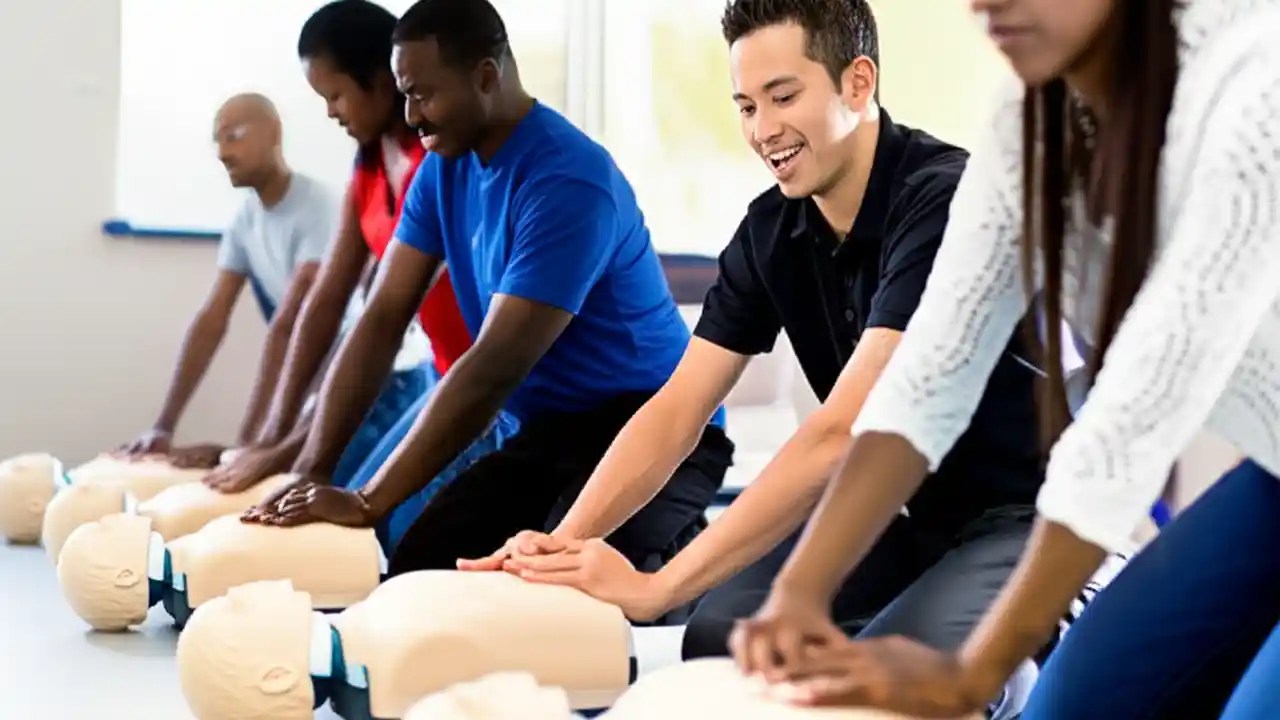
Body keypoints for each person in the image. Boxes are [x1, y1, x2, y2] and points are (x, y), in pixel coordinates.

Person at [470, 0, 1061, 676]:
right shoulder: (772, 232)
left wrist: (657, 588)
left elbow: (843, 435)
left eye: (784, 96)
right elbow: (677, 410)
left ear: (857, 83)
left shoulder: (945, 202)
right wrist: (558, 548)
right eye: (747, 106)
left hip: (1031, 521)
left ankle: (1029, 654)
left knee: (903, 675)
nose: (764, 129)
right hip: (912, 522)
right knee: (722, 636)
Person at [727, 0, 1280, 718]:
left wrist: (969, 674)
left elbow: (1135, 416)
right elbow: (932, 370)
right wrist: (800, 593)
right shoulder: (1029, 121)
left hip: (1186, 471)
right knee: (1067, 707)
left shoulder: (1252, 99)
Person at [246, 0, 734, 608]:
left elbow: (493, 366)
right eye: (404, 95)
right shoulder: (444, 171)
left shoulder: (566, 179)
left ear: (485, 76)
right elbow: (380, 317)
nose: (412, 116)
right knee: (420, 572)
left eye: (424, 95)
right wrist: (314, 472)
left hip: (651, 427)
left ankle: (679, 559)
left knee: (556, 588)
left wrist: (369, 499)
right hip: (548, 432)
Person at [203, 0, 511, 550]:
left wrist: (293, 446)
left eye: (336, 95)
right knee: (341, 500)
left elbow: (386, 320)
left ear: (382, 81)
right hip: (442, 375)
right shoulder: (367, 167)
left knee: (390, 527)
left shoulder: (439, 160)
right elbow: (329, 302)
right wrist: (278, 440)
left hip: (480, 390)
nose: (329, 113)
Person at [118, 93, 340, 470]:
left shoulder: (319, 206)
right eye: (217, 140)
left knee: (285, 478)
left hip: (359, 376)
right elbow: (212, 320)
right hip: (310, 377)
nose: (222, 152)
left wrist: (249, 445)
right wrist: (163, 427)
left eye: (233, 135)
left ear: (274, 133)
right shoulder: (244, 222)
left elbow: (296, 325)